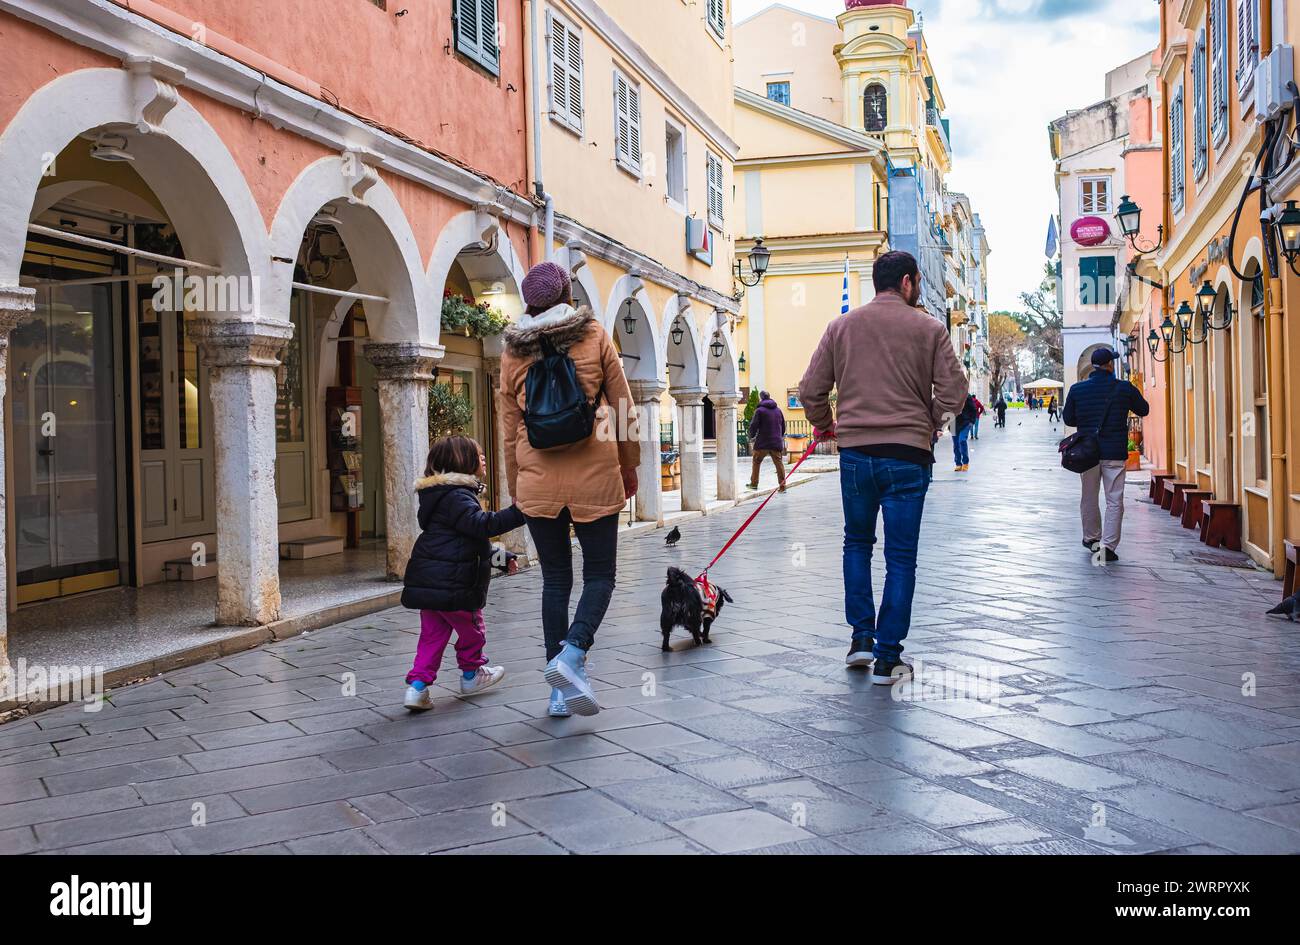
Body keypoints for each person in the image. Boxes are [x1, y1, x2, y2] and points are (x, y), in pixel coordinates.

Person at [799, 250, 967, 685]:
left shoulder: (841, 328)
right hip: (908, 455)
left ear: (877, 282)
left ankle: (861, 638)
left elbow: (810, 390)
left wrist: (827, 426)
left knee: (856, 543)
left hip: (856, 454)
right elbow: (956, 390)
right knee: (901, 557)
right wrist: (928, 419)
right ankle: (889, 658)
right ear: (909, 282)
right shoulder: (929, 329)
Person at [498, 262, 639, 717]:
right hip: (594, 469)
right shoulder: (594, 335)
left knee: (555, 579)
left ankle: (558, 692)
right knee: (601, 575)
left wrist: (515, 481)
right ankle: (574, 654)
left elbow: (507, 427)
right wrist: (630, 464)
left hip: (537, 477)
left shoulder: (512, 352)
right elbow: (622, 407)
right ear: (566, 294)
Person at [401, 435, 526, 711]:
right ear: (461, 461)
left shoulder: (441, 496)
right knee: (473, 630)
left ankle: (417, 688)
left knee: (432, 637)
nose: (483, 459)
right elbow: (482, 526)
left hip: (431, 583)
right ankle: (472, 674)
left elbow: (468, 539)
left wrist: (501, 558)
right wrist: (519, 511)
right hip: (454, 585)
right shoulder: (457, 495)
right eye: (479, 455)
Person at [1061, 348, 1150, 561]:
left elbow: (1069, 419)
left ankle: (1091, 538)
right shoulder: (1123, 388)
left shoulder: (1077, 389)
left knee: (1089, 496)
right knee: (1114, 499)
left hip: (1087, 453)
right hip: (1114, 452)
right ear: (1110, 365)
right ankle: (1108, 547)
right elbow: (1143, 409)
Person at [747, 390, 787, 492]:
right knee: (779, 464)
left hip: (762, 443)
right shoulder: (778, 410)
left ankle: (754, 484)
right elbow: (783, 426)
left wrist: (751, 436)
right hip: (776, 443)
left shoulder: (759, 411)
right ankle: (782, 487)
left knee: (756, 461)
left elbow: (753, 425)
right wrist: (779, 436)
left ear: (761, 398)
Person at [953, 393, 979, 471]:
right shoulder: (950, 395)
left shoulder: (967, 396)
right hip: (953, 423)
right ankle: (958, 463)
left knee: (962, 440)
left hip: (965, 423)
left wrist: (972, 421)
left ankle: (965, 462)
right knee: (956, 445)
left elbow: (974, 409)